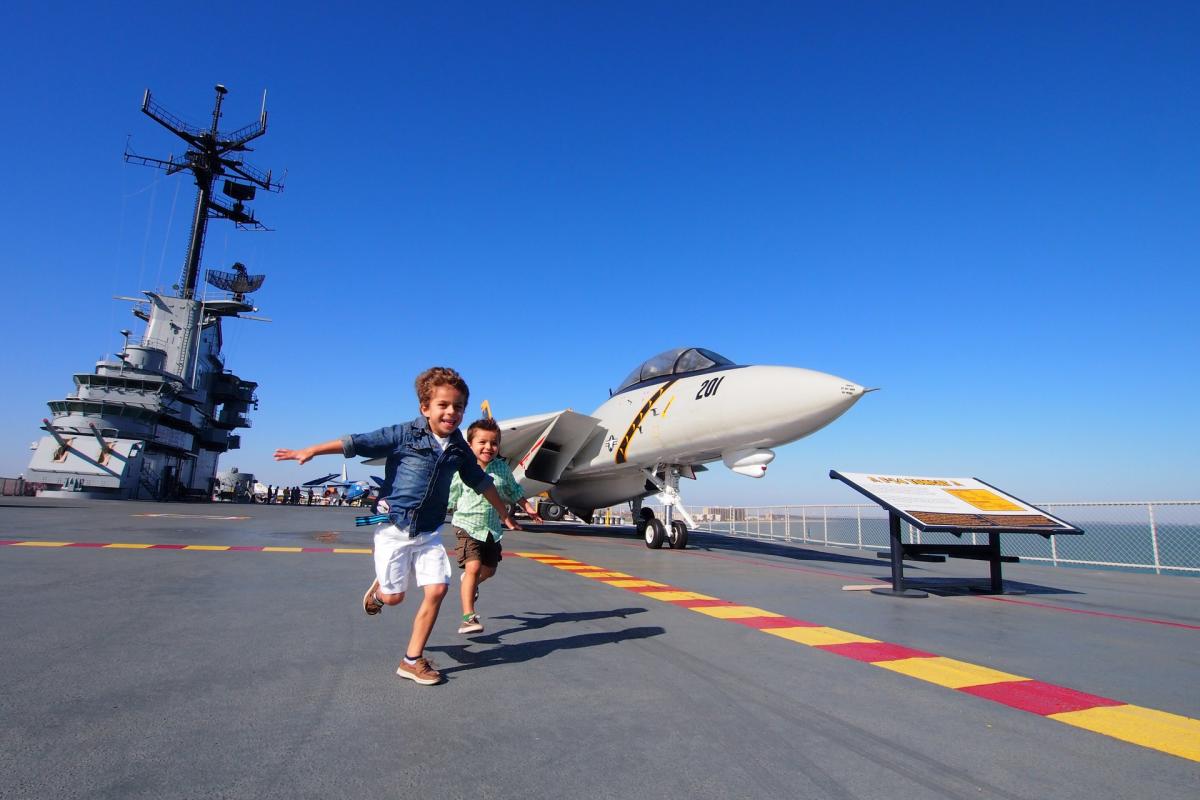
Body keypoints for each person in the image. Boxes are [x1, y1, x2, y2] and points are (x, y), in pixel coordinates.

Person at [273, 367, 519, 686]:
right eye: (443, 404)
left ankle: (412, 660)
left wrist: (503, 513)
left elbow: (483, 483)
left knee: (438, 588)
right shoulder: (403, 434)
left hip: (429, 532)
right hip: (394, 528)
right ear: (425, 407)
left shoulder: (459, 448)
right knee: (394, 599)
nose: (451, 412)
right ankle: (379, 592)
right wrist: (311, 450)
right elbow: (358, 442)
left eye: (458, 406)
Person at [448, 417, 542, 634]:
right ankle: (468, 617)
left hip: (491, 528)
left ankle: (472, 583)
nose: (488, 447)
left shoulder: (501, 469)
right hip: (466, 525)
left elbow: (513, 490)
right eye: (482, 442)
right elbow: (449, 496)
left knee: (489, 571)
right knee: (472, 566)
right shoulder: (461, 469)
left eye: (493, 443)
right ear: (470, 444)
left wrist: (527, 506)